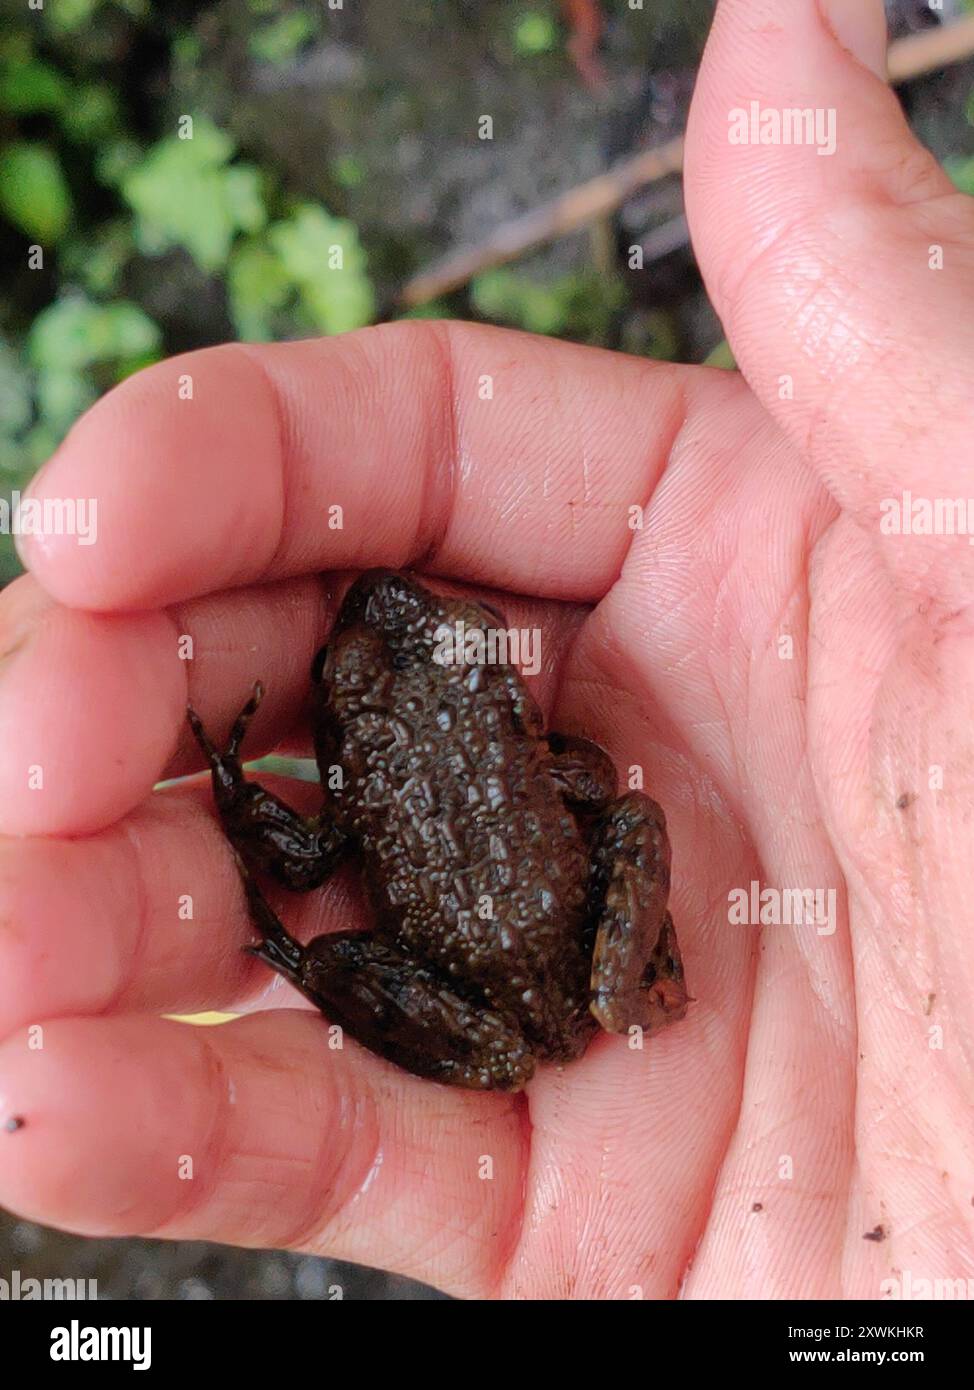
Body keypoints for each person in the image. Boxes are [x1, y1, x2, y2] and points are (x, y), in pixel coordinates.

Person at [1, 0, 971, 1298]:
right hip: (547, 965)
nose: (381, 638)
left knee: (332, 949)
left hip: (503, 964)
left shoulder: (354, 801)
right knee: (602, 825)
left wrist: (239, 797)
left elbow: (297, 855)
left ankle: (474, 989)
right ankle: (644, 988)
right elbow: (575, 779)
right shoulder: (511, 741)